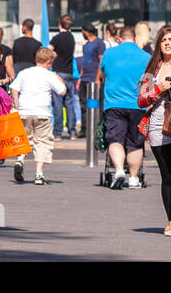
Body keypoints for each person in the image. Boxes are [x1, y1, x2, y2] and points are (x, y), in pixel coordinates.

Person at [136, 26, 171, 238]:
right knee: (167, 177)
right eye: (163, 40)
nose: (167, 43)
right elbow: (141, 100)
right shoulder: (152, 70)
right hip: (158, 128)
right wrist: (158, 89)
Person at [98, 24, 151, 189]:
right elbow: (149, 82)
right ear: (134, 39)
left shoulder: (109, 53)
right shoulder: (146, 56)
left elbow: (103, 74)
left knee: (115, 139)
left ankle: (119, 170)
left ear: (119, 38)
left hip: (115, 104)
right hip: (138, 105)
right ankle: (134, 178)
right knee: (135, 143)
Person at [10, 46, 66, 184]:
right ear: (48, 63)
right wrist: (59, 79)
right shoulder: (49, 75)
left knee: (25, 139)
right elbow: (62, 91)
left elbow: (14, 88)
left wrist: (16, 103)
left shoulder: (24, 73)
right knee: (42, 142)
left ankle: (20, 160)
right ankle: (38, 174)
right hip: (42, 113)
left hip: (24, 111)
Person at [49, 14, 81, 139]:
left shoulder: (56, 38)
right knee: (69, 103)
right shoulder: (71, 38)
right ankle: (72, 131)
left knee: (57, 104)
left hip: (58, 73)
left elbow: (48, 52)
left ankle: (58, 132)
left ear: (59, 24)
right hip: (69, 73)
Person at [77, 22, 104, 139]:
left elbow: (101, 61)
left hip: (93, 78)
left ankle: (95, 130)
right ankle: (84, 129)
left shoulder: (99, 43)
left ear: (86, 31)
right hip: (84, 78)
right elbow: (84, 62)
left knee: (94, 105)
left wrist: (98, 79)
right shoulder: (86, 45)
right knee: (83, 105)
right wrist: (80, 78)